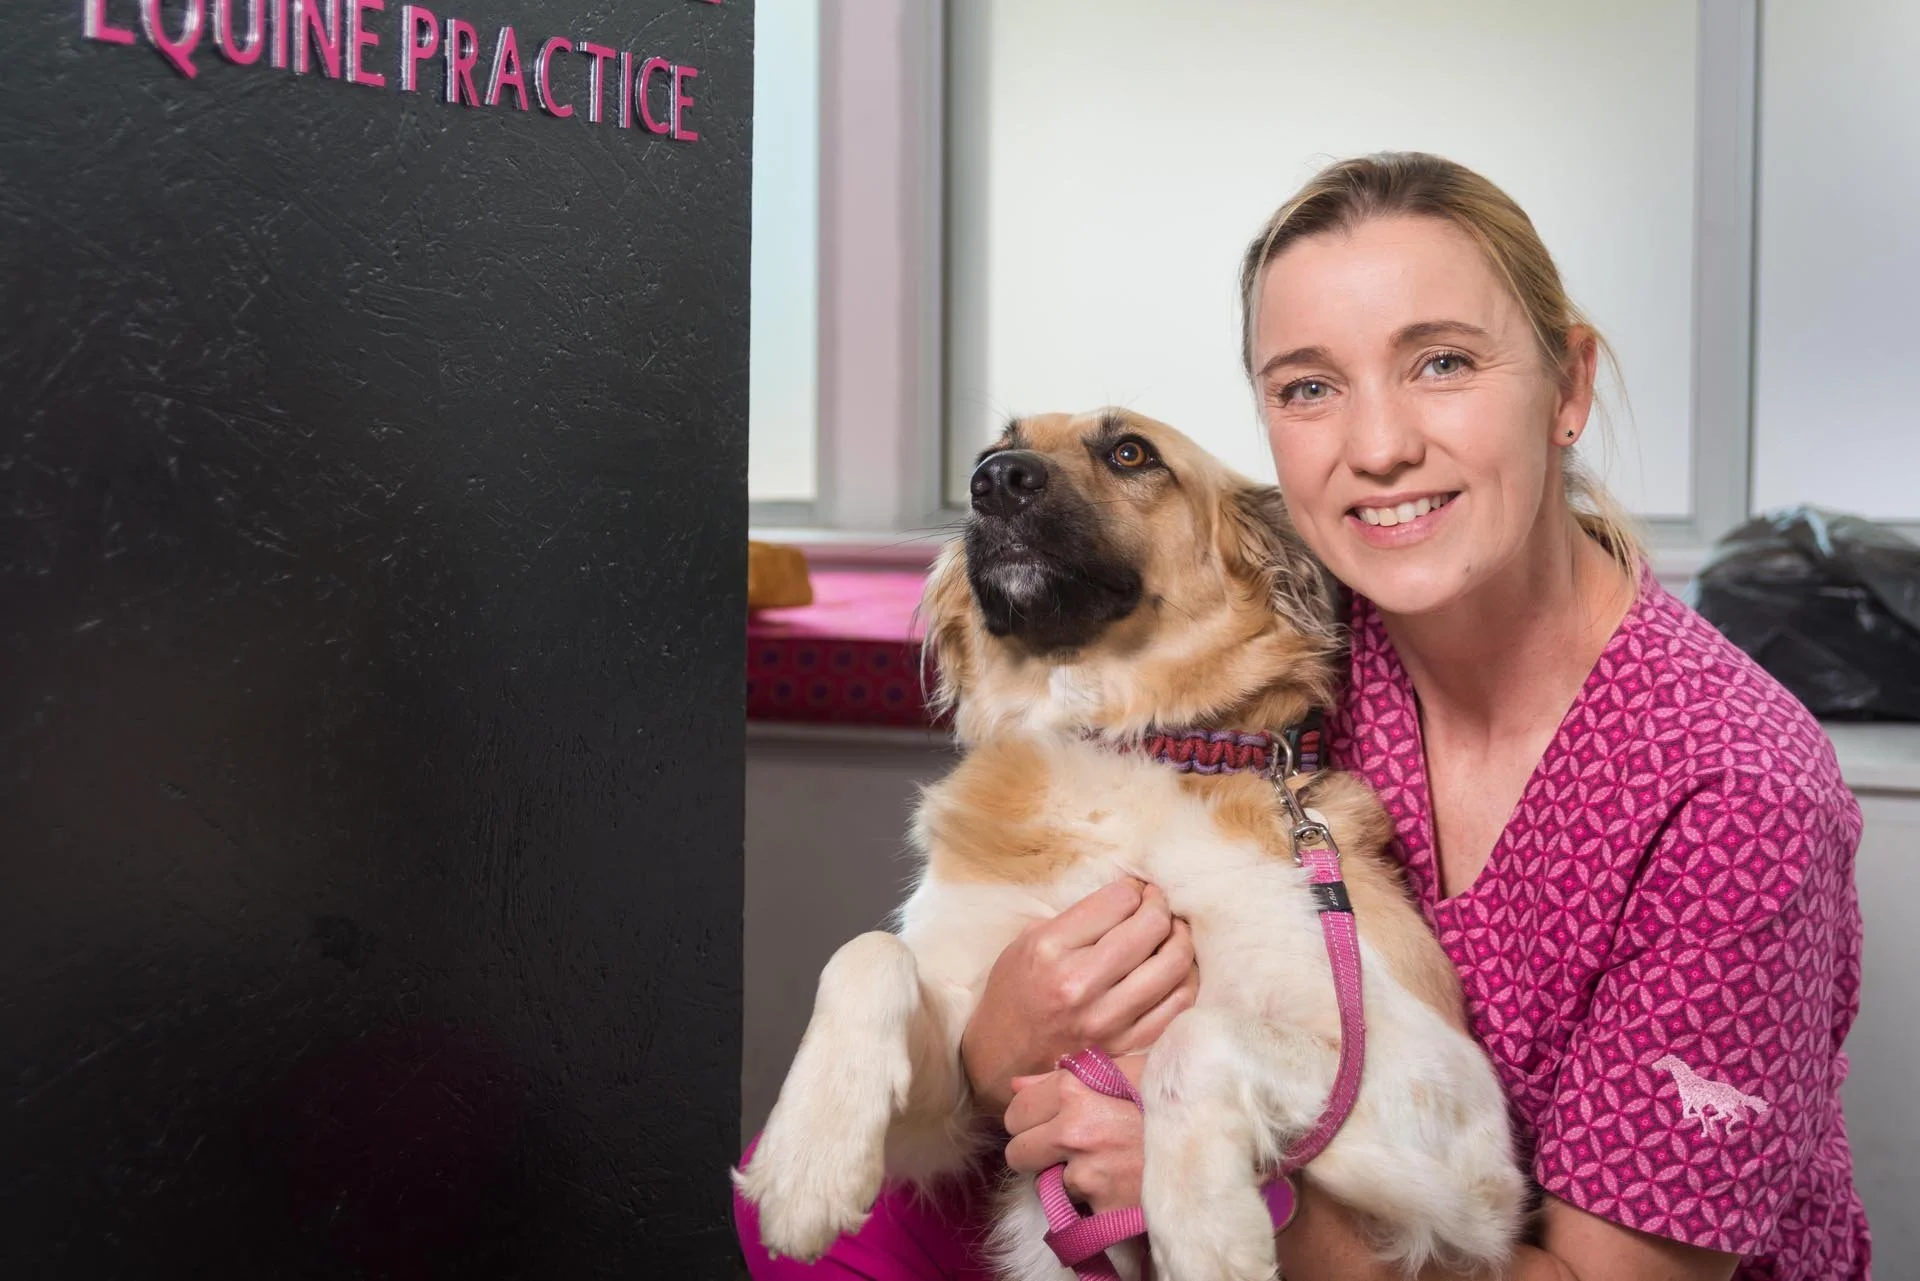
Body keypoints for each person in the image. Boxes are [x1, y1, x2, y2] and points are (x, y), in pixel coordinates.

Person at [733, 152, 1870, 1280]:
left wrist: (1243, 1200)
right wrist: (995, 1047)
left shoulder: (1734, 790)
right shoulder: (1281, 650)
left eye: (1442, 362)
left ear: (1568, 389)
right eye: (1309, 387)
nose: (1378, 448)